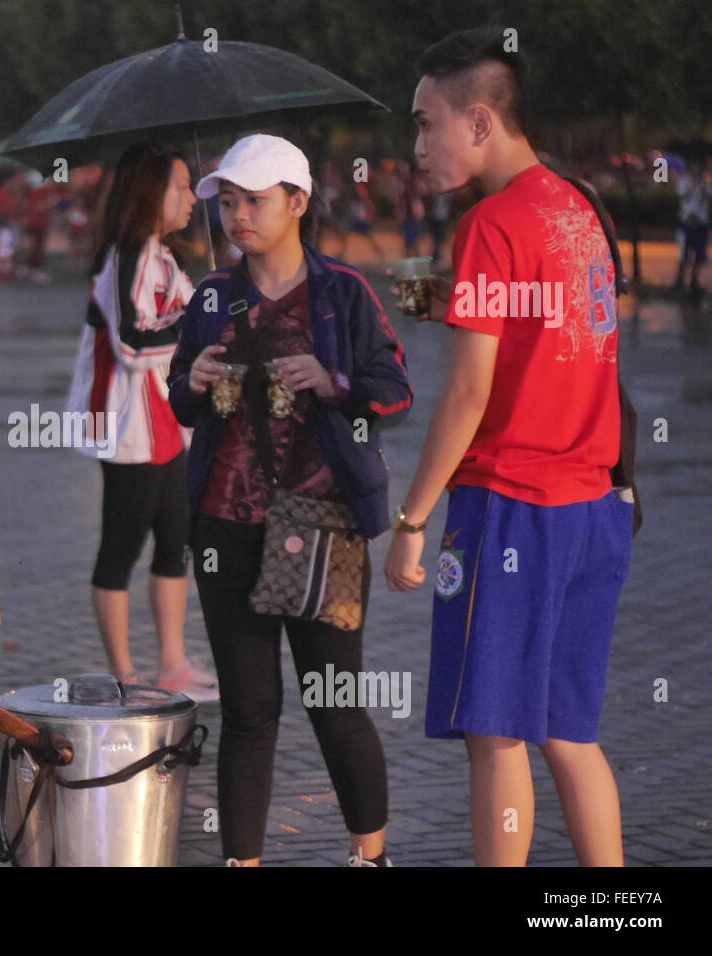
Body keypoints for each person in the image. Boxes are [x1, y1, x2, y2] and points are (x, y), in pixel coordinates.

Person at [386, 28, 634, 867]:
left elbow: (467, 395)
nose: (416, 147)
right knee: (569, 733)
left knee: (493, 734)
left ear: (481, 121)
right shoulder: (578, 204)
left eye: (427, 125)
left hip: (511, 509)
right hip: (592, 506)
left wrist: (413, 516)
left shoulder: (492, 225)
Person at [167, 134, 412, 866]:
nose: (239, 214)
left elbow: (394, 393)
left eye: (255, 199)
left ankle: (371, 856)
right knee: (248, 713)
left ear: (298, 202)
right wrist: (197, 379)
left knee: (335, 703)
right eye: (230, 202)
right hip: (224, 524)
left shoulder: (343, 292)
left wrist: (334, 384)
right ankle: (243, 861)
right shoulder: (213, 295)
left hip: (323, 524)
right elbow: (180, 398)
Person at [63, 141, 218, 701]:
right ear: (150, 193)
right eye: (180, 185)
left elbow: (182, 317)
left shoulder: (166, 256)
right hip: (128, 425)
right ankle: (124, 674)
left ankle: (173, 666)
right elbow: (132, 341)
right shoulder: (126, 256)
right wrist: (195, 326)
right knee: (121, 546)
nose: (190, 197)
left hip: (169, 422)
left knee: (175, 538)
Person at [674, 156, 709, 291]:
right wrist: (692, 185)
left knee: (700, 253)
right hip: (687, 221)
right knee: (684, 253)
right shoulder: (685, 180)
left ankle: (694, 280)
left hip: (701, 222)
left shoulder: (705, 181)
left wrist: (702, 185)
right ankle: (680, 280)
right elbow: (682, 195)